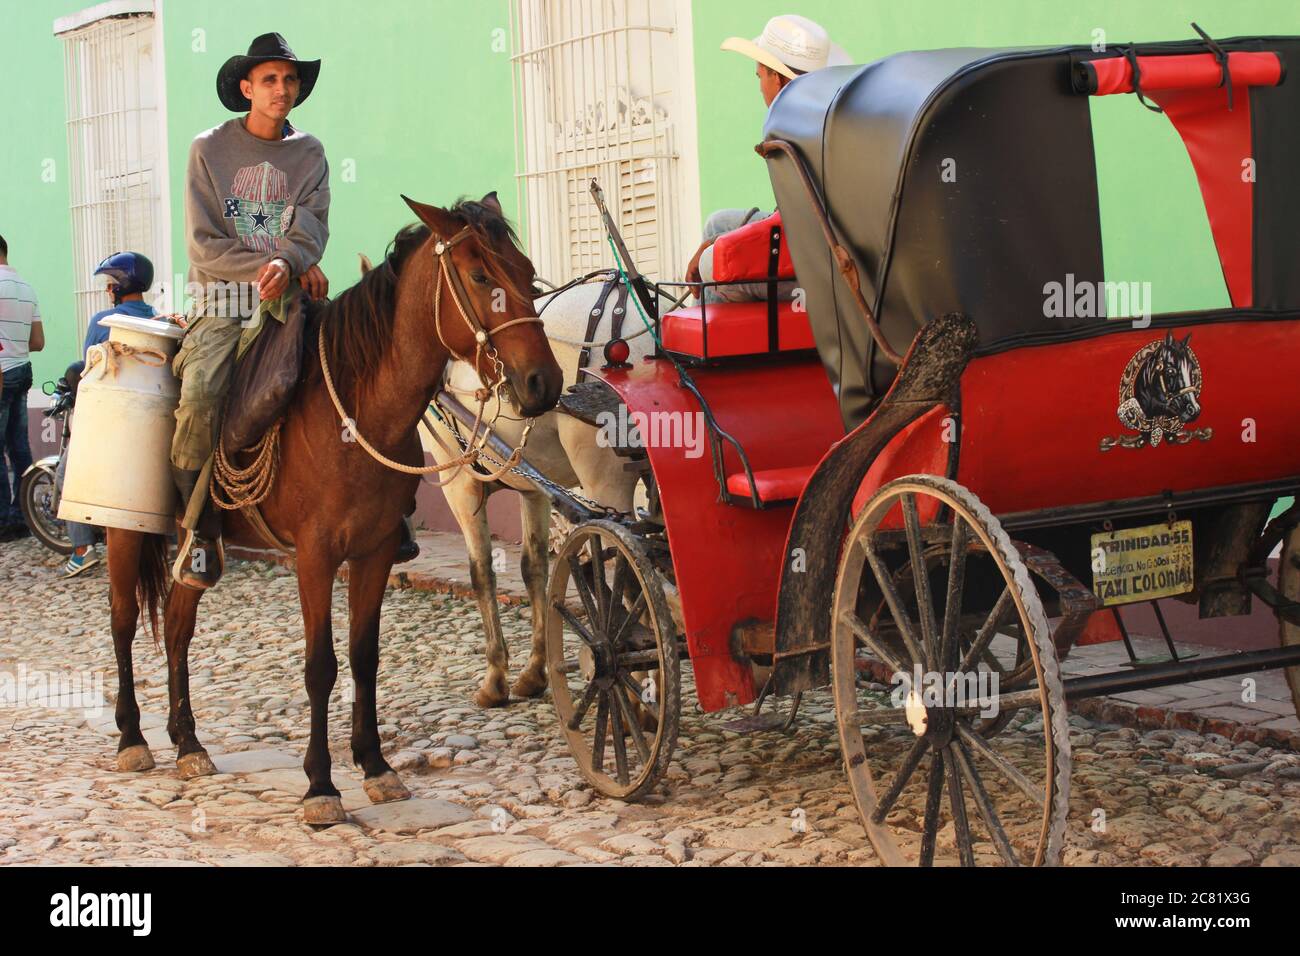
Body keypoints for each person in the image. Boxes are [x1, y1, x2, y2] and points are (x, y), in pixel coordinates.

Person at [170, 32, 331, 590]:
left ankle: (383, 512)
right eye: (269, 80)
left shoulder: (309, 153)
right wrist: (277, 263)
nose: (281, 89)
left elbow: (311, 226)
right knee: (200, 395)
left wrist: (291, 263)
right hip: (225, 300)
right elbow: (203, 244)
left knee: (349, 368)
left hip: (289, 297)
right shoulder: (207, 150)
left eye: (289, 80)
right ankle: (198, 530)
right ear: (246, 88)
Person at [685, 15, 850, 303]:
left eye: (760, 76)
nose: (760, 86)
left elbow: (797, 219)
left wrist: (717, 246)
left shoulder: (789, 125)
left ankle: (718, 343)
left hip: (814, 254)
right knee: (718, 223)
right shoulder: (824, 113)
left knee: (711, 262)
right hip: (818, 234)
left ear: (778, 77)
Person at [59, 252, 158, 576]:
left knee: (65, 475)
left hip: (109, 422)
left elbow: (87, 371)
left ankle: (82, 549)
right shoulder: (158, 320)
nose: (107, 290)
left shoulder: (104, 323)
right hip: (151, 419)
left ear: (118, 287)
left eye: (109, 284)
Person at [0, 232, 45, 542]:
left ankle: (3, 519)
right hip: (22, 370)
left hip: (2, 372)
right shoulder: (26, 288)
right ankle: (23, 516)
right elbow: (38, 342)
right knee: (19, 447)